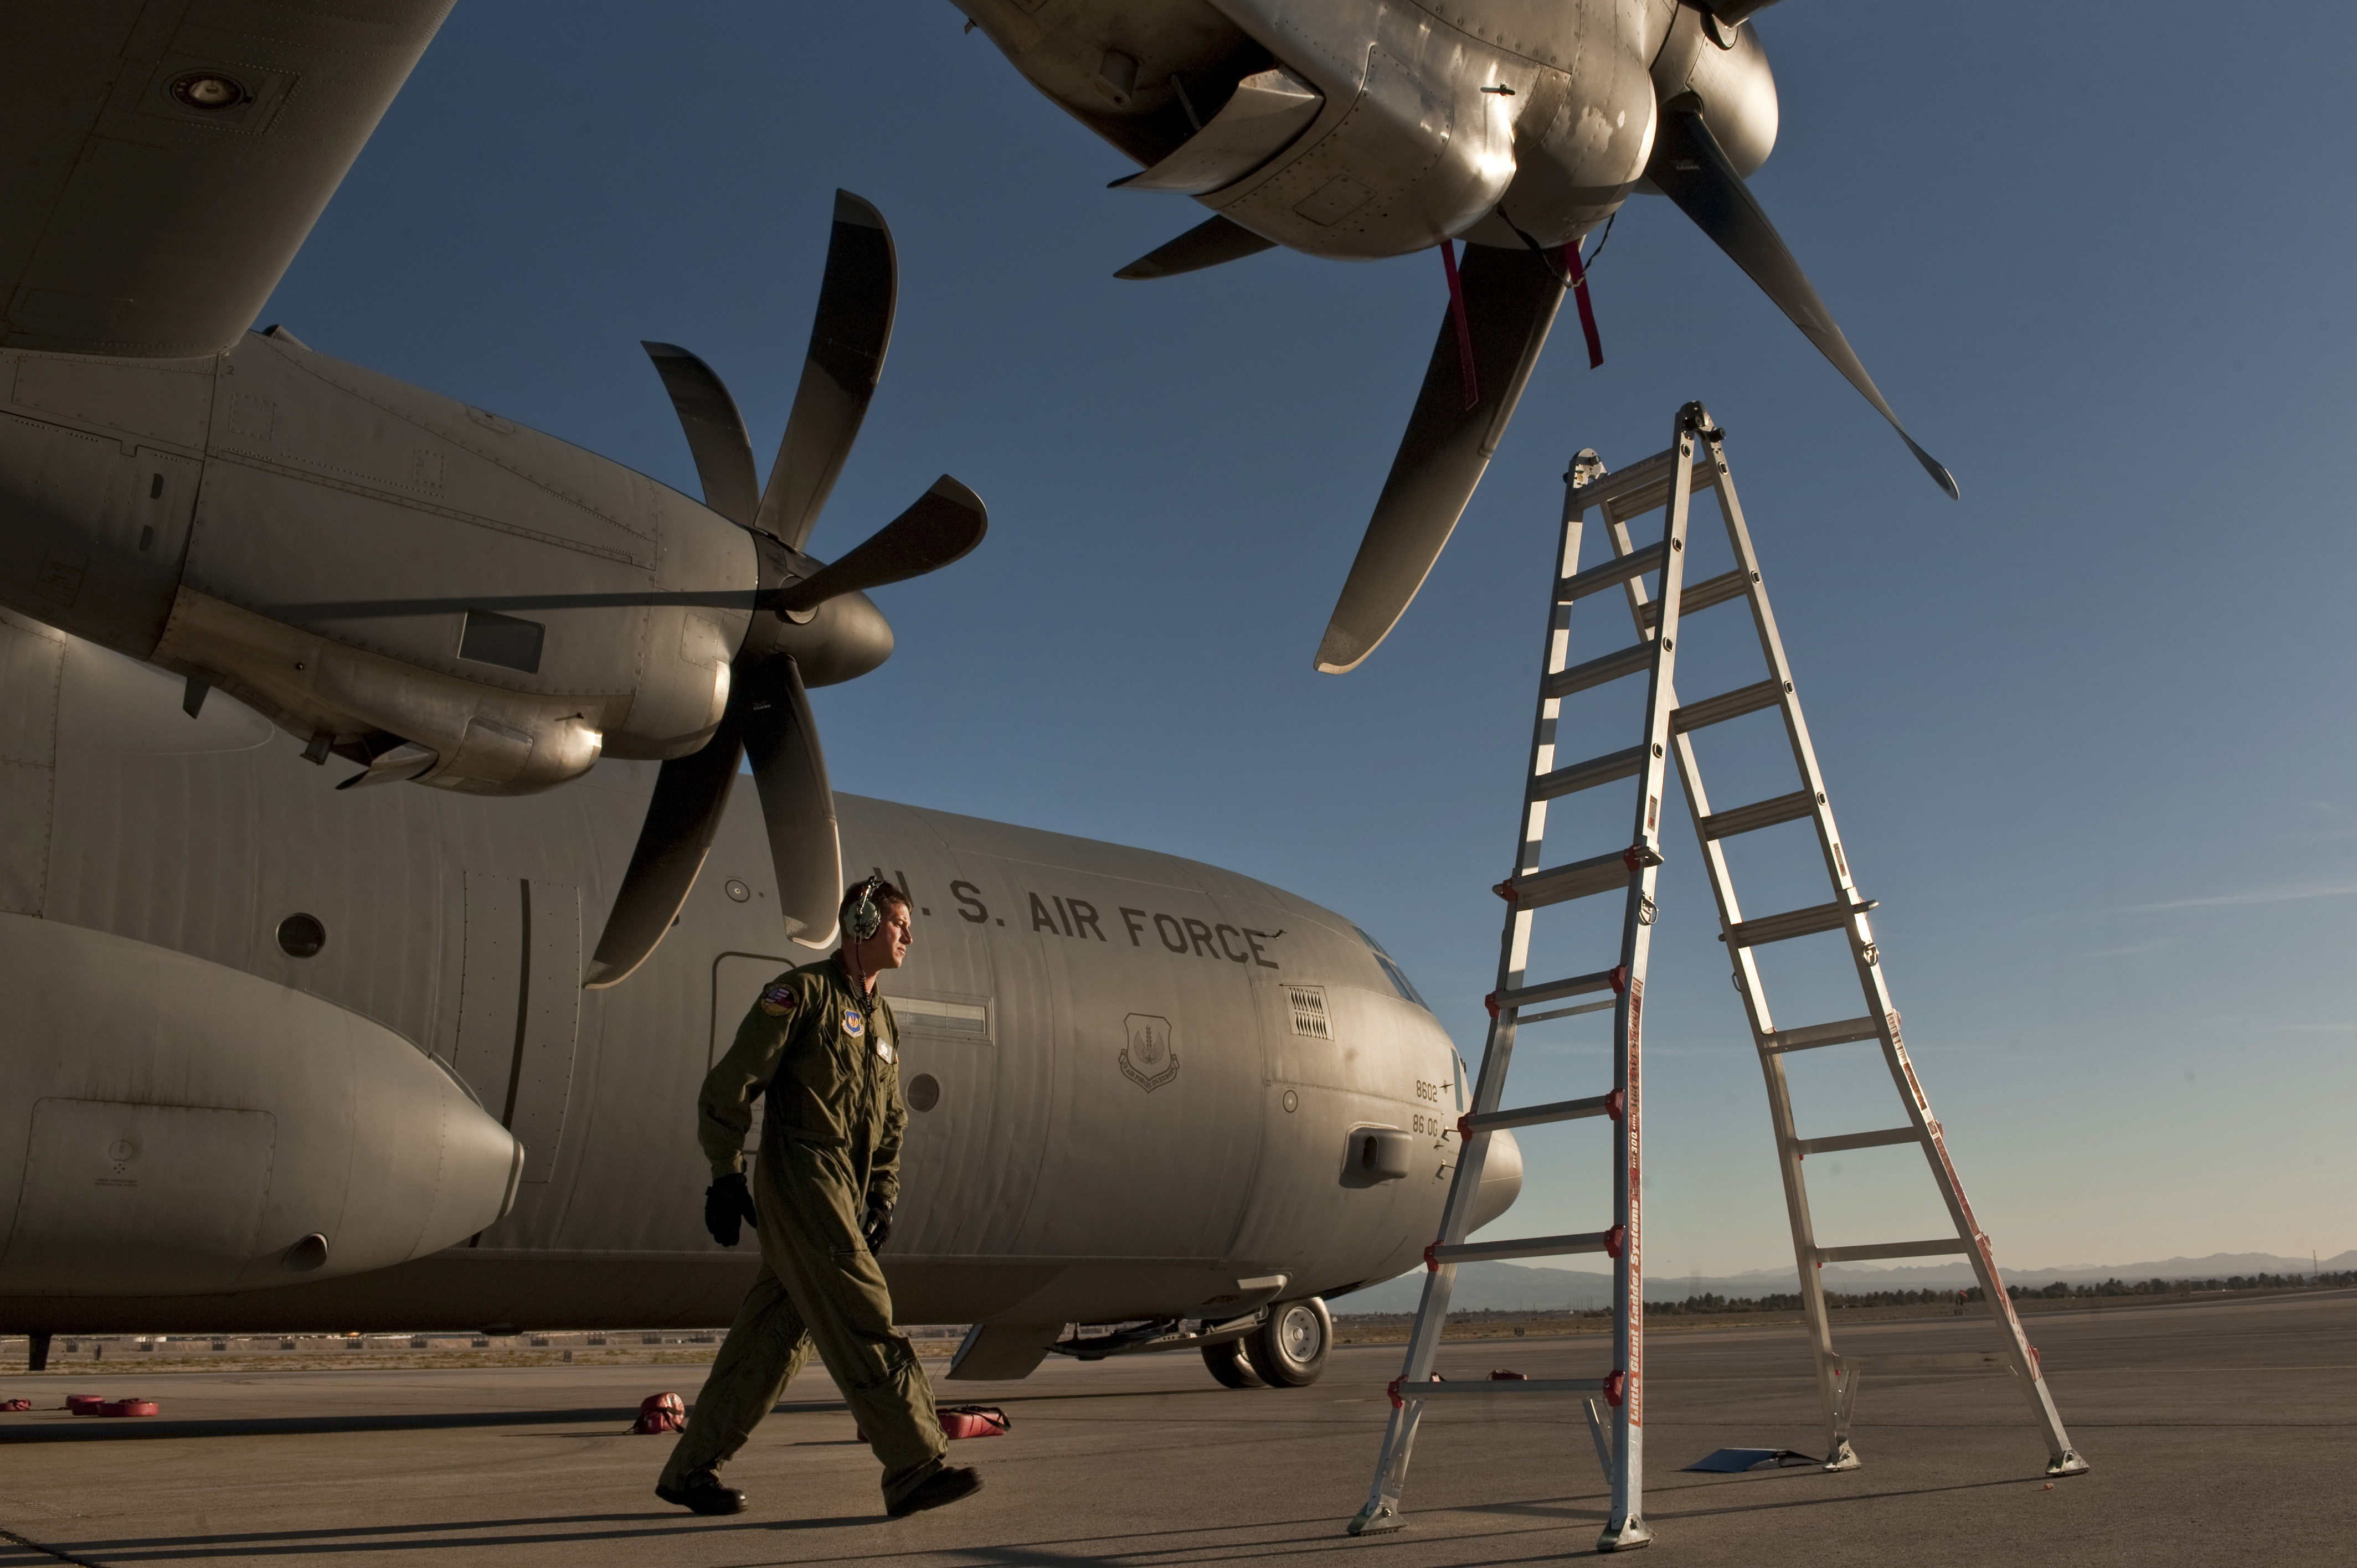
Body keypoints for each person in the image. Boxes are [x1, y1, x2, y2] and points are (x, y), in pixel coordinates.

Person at [655, 876, 980, 1519]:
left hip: (844, 1186)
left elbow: (891, 1122)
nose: (909, 936)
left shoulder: (883, 1018)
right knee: (862, 1307)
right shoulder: (798, 994)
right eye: (898, 924)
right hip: (801, 1176)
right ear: (861, 924)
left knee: (771, 1338)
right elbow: (731, 1084)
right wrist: (724, 1172)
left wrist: (882, 1193)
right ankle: (914, 1463)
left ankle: (690, 1471)